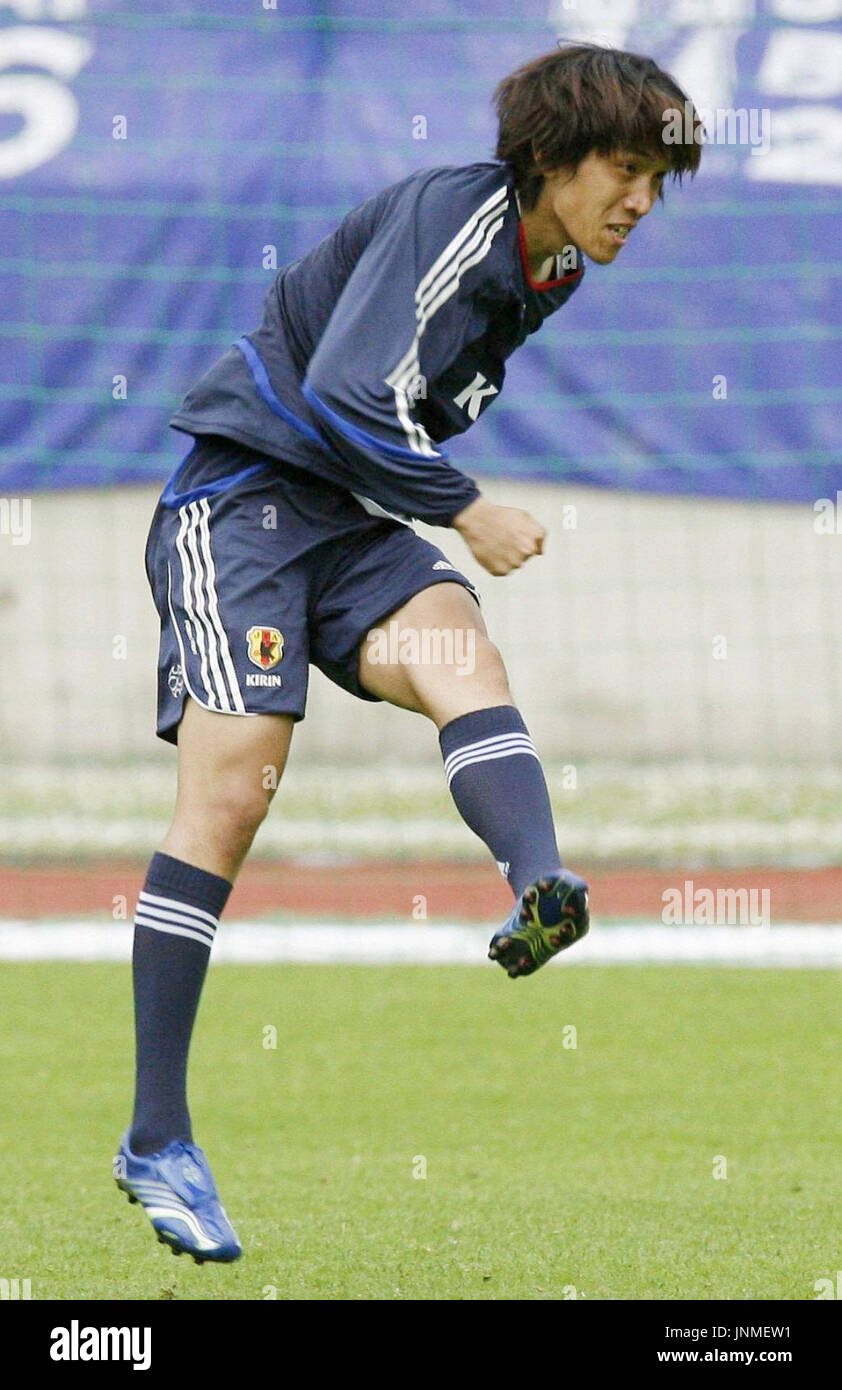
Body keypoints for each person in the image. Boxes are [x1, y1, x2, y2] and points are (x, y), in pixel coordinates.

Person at [114, 43, 702, 1262]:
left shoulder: (550, 270)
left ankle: (541, 885)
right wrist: (464, 505)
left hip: (343, 522)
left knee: (460, 657)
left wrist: (425, 505)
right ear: (549, 156)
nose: (640, 199)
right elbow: (339, 392)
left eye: (657, 176)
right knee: (230, 797)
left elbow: (384, 413)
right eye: (623, 168)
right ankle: (157, 1135)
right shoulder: (460, 215)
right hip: (242, 505)